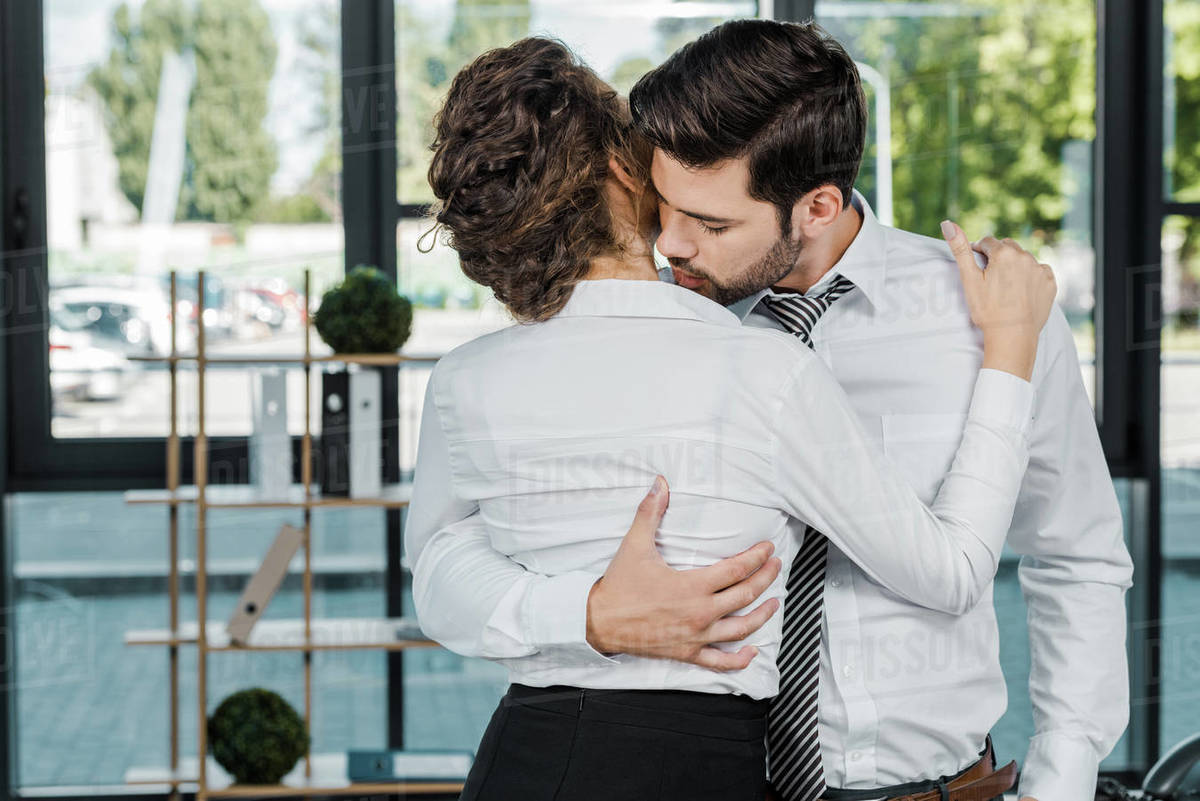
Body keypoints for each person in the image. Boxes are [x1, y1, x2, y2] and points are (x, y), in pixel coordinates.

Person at [414, 20, 1135, 801]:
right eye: (665, 205)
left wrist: (1061, 783)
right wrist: (582, 611)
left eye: (713, 224)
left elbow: (1077, 553)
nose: (674, 246)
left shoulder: (995, 318)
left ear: (816, 207)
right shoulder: (645, 339)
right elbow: (454, 553)